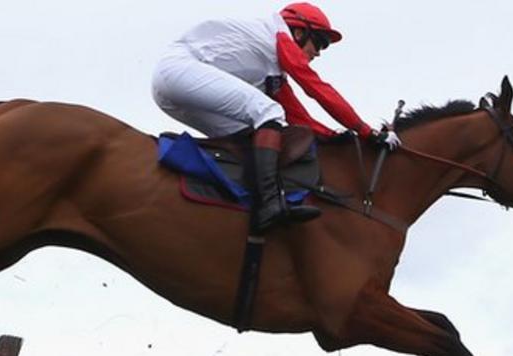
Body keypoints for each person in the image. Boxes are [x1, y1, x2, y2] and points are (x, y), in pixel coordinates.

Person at [152, 3, 401, 231]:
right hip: (180, 71)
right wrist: (367, 132)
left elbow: (299, 118)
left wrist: (339, 136)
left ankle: (233, 203)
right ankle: (269, 203)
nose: (319, 53)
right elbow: (316, 88)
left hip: (172, 91)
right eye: (320, 43)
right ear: (299, 32)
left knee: (253, 133)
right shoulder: (280, 37)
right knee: (269, 112)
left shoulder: (273, 68)